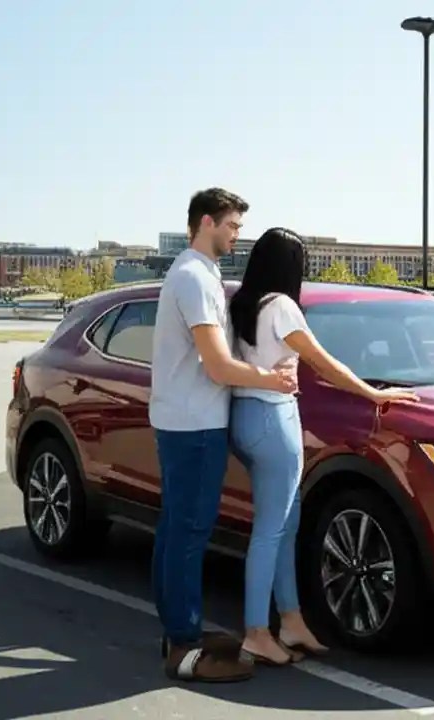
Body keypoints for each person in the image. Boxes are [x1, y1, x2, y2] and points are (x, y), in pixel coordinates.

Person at [227, 227, 416, 666]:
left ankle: (291, 622)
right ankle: (257, 631)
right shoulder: (282, 307)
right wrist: (373, 394)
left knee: (284, 524)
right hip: (274, 420)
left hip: (244, 417)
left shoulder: (242, 304)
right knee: (271, 530)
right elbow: (323, 363)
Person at [150, 188, 299, 683]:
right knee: (189, 533)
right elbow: (216, 364)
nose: (237, 235)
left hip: (187, 420)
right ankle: (185, 648)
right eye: (232, 225)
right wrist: (272, 380)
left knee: (176, 529)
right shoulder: (193, 276)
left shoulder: (202, 274)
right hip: (193, 424)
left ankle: (177, 633)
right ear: (207, 222)